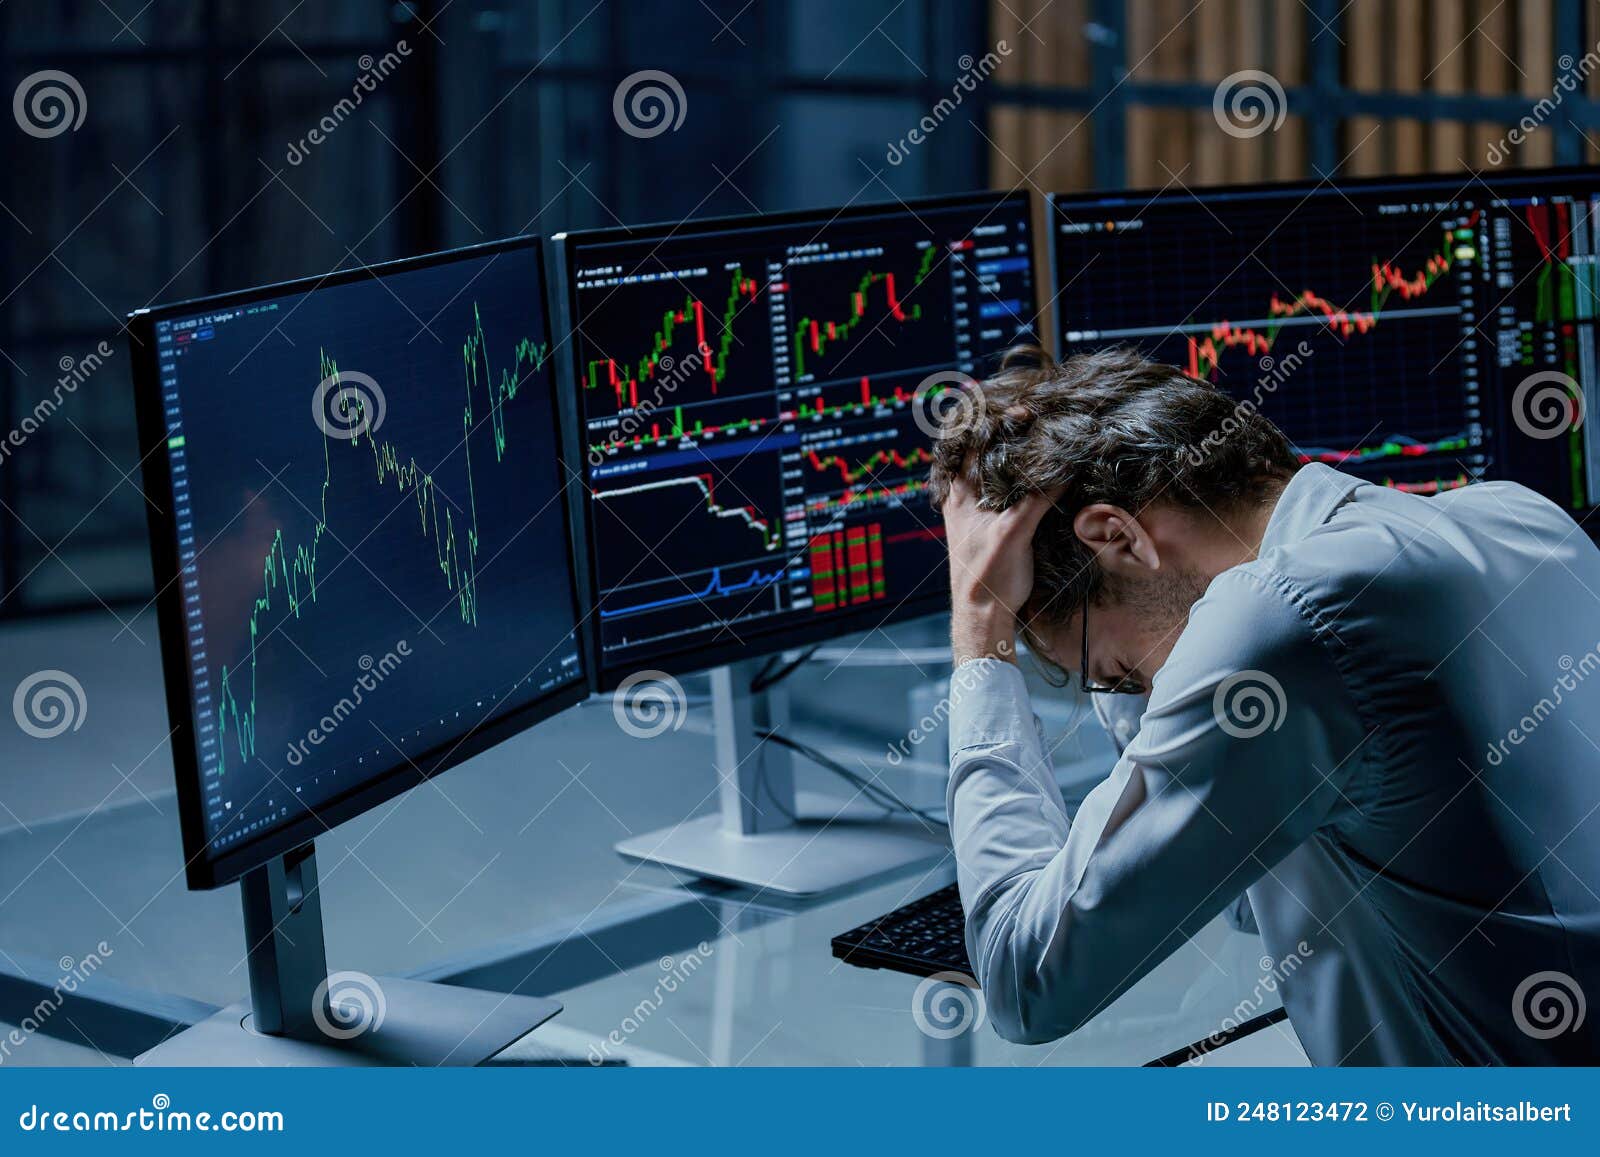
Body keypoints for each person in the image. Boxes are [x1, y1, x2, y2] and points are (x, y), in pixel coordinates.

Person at [931, 344, 1600, 1065]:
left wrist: (980, 634)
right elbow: (1250, 897)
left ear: (1115, 535)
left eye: (1115, 670)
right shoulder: (1517, 518)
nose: (1128, 690)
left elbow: (1021, 979)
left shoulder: (1284, 621)